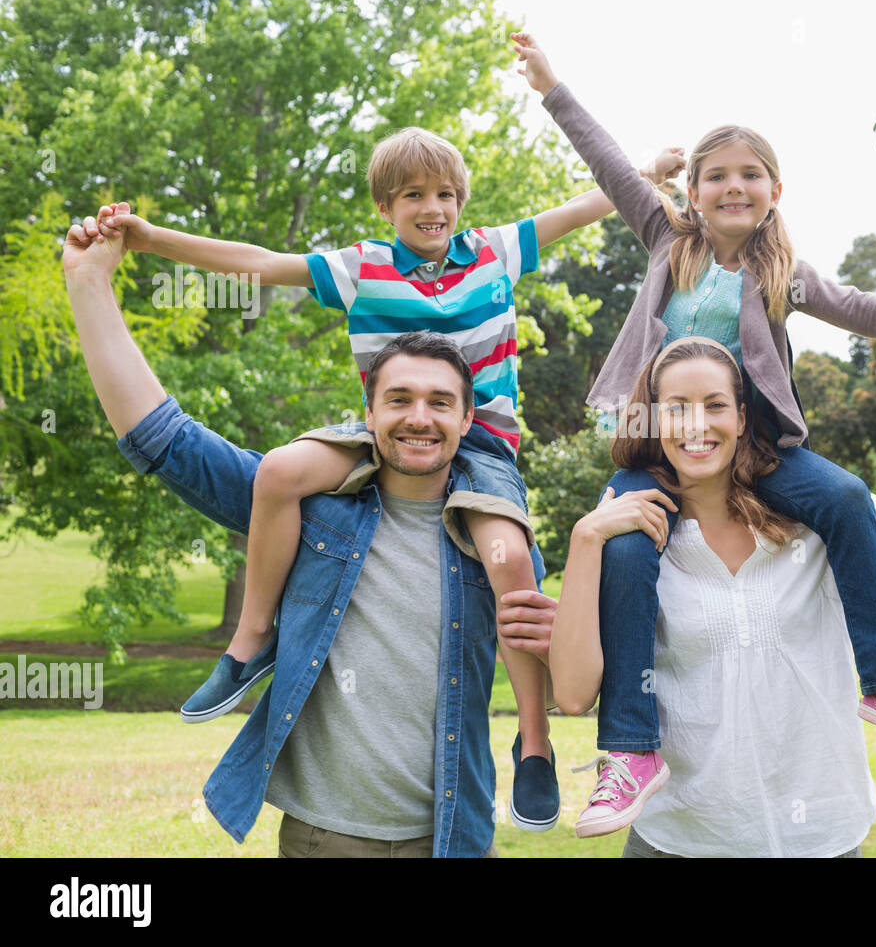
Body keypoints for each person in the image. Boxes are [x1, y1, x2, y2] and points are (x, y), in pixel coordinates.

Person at [87, 130, 683, 830]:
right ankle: (250, 641)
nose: (433, 209)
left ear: (462, 201)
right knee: (278, 469)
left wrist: (642, 173)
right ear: (384, 205)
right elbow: (258, 263)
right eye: (414, 197)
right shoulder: (360, 269)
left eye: (445, 196)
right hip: (382, 438)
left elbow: (584, 206)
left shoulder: (495, 252)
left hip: (483, 447)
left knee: (511, 560)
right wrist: (152, 240)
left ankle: (534, 742)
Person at [511, 32, 876, 835]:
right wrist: (552, 87)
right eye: (717, 175)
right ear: (694, 188)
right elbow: (609, 162)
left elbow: (861, 308)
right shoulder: (665, 239)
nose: (733, 187)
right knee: (625, 548)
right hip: (655, 444)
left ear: (775, 189)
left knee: (847, 497)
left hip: (758, 449)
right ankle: (631, 752)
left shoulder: (783, 272)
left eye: (750, 175)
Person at [62, 217, 556, 857]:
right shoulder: (310, 512)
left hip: (448, 838)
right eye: (399, 398)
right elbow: (164, 439)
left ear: (469, 417)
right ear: (368, 411)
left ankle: (535, 748)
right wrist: (88, 283)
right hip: (321, 840)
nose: (418, 418)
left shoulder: (497, 546)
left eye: (440, 402)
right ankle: (250, 641)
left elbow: (573, 669)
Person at [550, 318, 876, 856]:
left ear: (744, 415)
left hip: (821, 838)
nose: (695, 425)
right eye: (676, 407)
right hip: (678, 841)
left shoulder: (826, 521)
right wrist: (585, 540)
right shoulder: (627, 538)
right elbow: (571, 694)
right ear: (653, 419)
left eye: (715, 405)